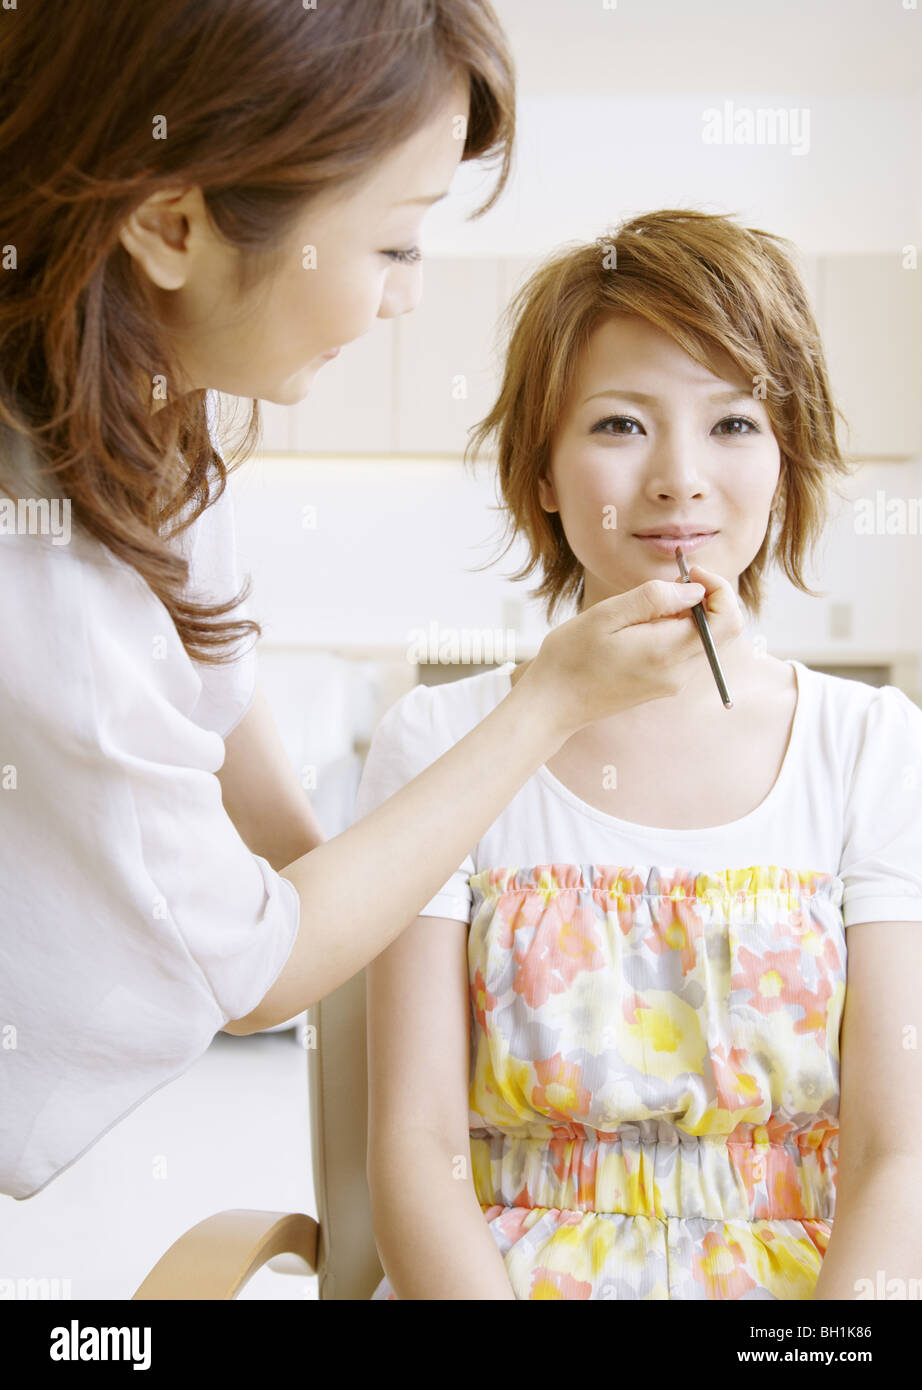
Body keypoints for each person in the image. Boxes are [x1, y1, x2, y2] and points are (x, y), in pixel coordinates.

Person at [0, 2, 739, 1203]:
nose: (403, 301)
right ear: (171, 222)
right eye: (394, 246)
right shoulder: (50, 596)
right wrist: (546, 704)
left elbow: (240, 735)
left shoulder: (146, 419)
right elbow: (268, 962)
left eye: (735, 422)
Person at [359, 209, 922, 1300]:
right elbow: (417, 1155)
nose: (677, 479)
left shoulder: (873, 748)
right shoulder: (437, 742)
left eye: (734, 424)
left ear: (786, 460)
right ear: (541, 473)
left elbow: (896, 1151)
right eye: (619, 425)